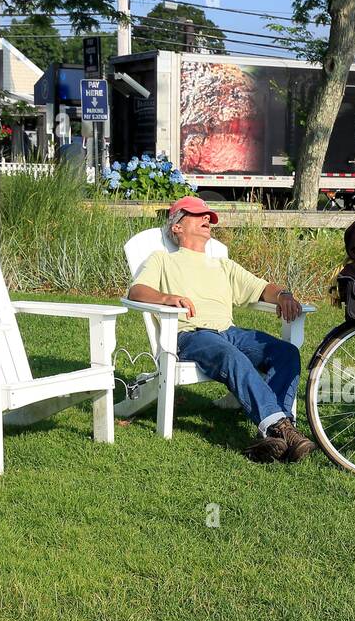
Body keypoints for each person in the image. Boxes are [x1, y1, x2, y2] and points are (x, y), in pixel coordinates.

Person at [126, 196, 316, 464]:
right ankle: (283, 429)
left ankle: (278, 433)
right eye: (198, 215)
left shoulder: (222, 265)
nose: (207, 219)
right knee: (231, 355)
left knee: (286, 353)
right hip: (192, 334)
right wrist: (167, 298)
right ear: (176, 227)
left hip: (229, 332)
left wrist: (283, 294)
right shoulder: (162, 260)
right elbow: (137, 291)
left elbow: (261, 287)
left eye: (208, 217)